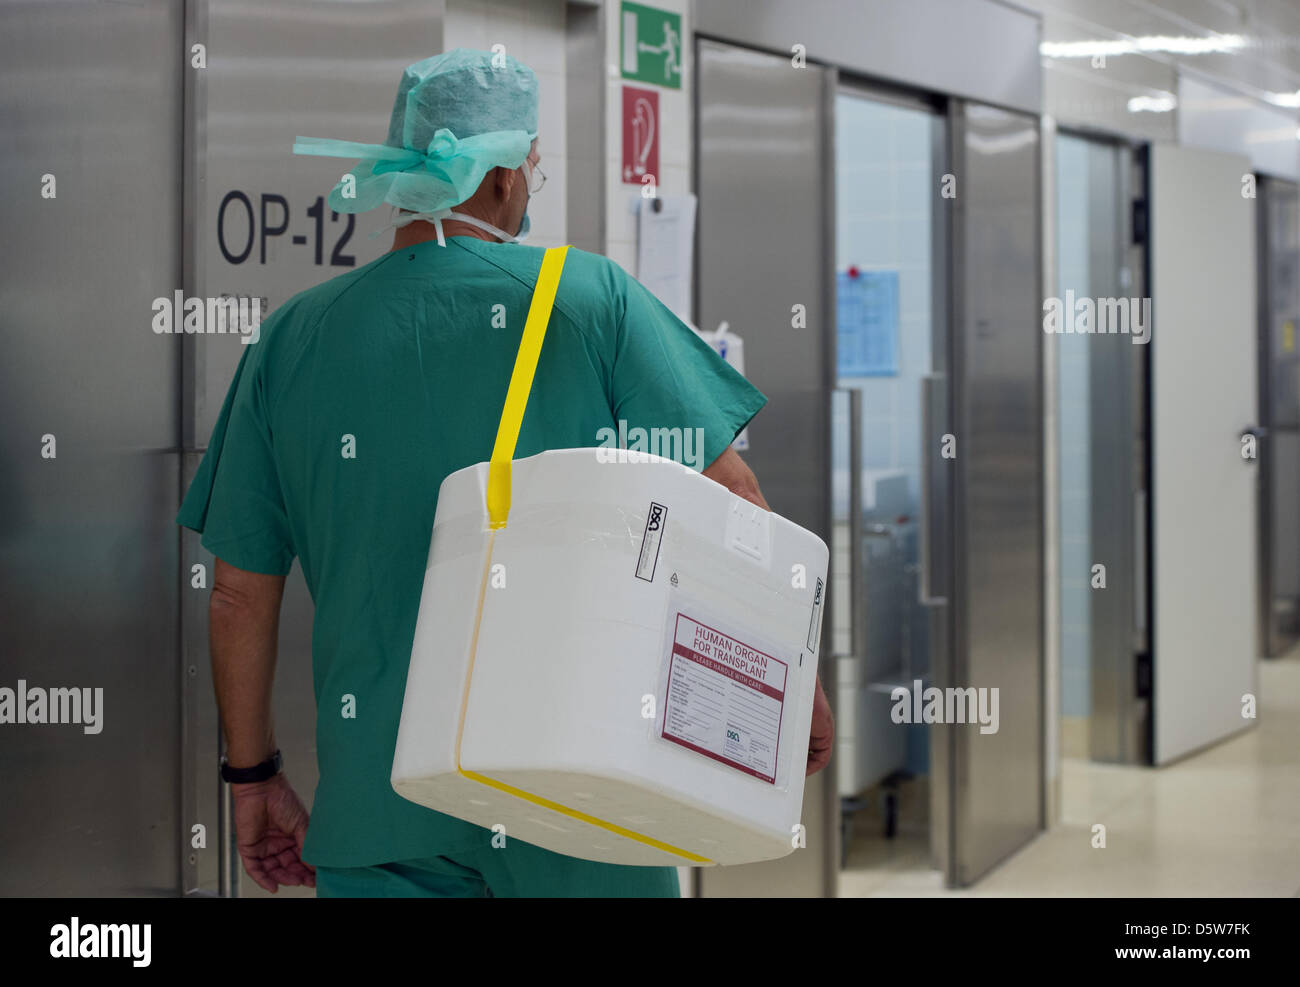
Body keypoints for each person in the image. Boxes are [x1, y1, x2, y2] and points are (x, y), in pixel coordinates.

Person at [178, 47, 834, 899]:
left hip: (383, 816)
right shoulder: (591, 298)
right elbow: (733, 500)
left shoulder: (293, 338)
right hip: (583, 804)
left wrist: (252, 777)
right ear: (497, 180)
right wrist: (791, 690)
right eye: (531, 165)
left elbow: (238, 593)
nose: (531, 185)